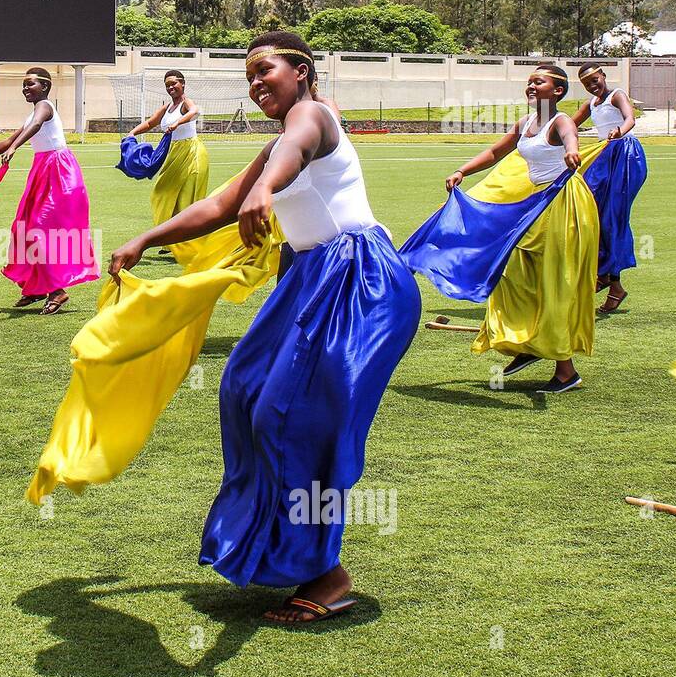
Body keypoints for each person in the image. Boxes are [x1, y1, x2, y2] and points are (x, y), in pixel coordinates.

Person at [99, 33, 418, 622]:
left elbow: (296, 147)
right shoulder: (277, 143)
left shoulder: (311, 114)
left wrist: (268, 189)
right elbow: (220, 203)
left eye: (263, 70)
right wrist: (146, 238)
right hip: (314, 278)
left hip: (361, 281)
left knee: (289, 417)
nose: (255, 83)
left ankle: (327, 573)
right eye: (248, 76)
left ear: (300, 70)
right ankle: (278, 547)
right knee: (242, 388)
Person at [441, 64, 597, 393]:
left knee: (553, 282)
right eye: (529, 82)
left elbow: (572, 138)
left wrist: (571, 152)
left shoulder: (560, 121)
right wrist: (462, 171)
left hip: (564, 204)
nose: (530, 87)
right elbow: (497, 151)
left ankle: (566, 371)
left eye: (538, 82)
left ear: (556, 91)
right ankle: (527, 345)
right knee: (513, 270)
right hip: (537, 204)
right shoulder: (526, 123)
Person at [0, 68, 98, 314]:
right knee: (23, 228)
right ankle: (36, 288)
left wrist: (15, 147)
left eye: (29, 84)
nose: (25, 89)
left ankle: (57, 291)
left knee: (40, 230)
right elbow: (8, 139)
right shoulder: (33, 112)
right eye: (23, 85)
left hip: (59, 172)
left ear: (44, 87)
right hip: (43, 170)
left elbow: (34, 126)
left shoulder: (44, 106)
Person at [570, 63, 646, 314]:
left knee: (613, 218)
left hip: (625, 155)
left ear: (603, 76)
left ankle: (606, 277)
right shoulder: (590, 104)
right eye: (587, 83)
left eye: (595, 79)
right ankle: (613, 283)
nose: (593, 85)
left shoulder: (617, 95)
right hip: (604, 156)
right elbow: (569, 125)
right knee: (594, 216)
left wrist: (618, 131)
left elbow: (630, 119)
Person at [126, 70, 209, 232]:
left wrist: (178, 123)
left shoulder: (186, 102)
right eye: (167, 85)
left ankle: (186, 239)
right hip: (174, 153)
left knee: (186, 198)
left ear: (182, 84)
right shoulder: (167, 107)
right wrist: (132, 133)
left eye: (174, 83)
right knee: (161, 193)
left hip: (192, 153)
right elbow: (150, 123)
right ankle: (168, 237)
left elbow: (194, 111)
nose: (171, 87)